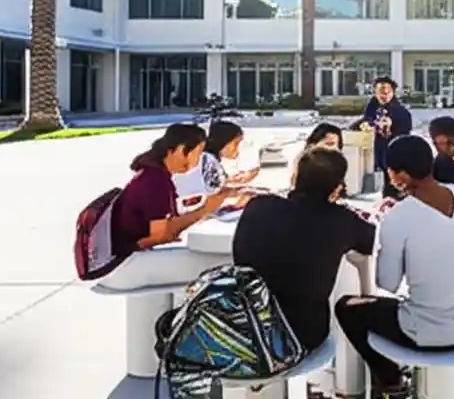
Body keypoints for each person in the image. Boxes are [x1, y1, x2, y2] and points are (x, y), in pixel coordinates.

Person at [334, 136, 454, 399]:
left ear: (401, 175)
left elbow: (387, 283)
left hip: (429, 332)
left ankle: (390, 379)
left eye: (390, 171)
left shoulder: (398, 216)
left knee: (346, 308)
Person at [232, 147, 375, 354]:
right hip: (301, 336)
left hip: (246, 330)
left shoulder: (258, 205)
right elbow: (374, 242)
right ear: (336, 188)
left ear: (295, 177)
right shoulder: (341, 220)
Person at [111, 123, 233, 254]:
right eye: (197, 153)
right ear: (181, 150)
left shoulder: (154, 173)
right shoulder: (155, 180)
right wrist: (205, 210)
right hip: (130, 256)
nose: (197, 162)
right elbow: (161, 236)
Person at [362, 77, 412, 198]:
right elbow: (366, 120)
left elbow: (405, 132)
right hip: (377, 150)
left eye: (386, 92)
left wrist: (391, 126)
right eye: (380, 92)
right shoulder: (371, 107)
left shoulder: (400, 111)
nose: (383, 95)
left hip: (395, 153)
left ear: (392, 92)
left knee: (394, 186)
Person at [291, 122, 344, 189]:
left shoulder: (338, 163)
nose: (335, 149)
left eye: (338, 146)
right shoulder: (305, 159)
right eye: (329, 144)